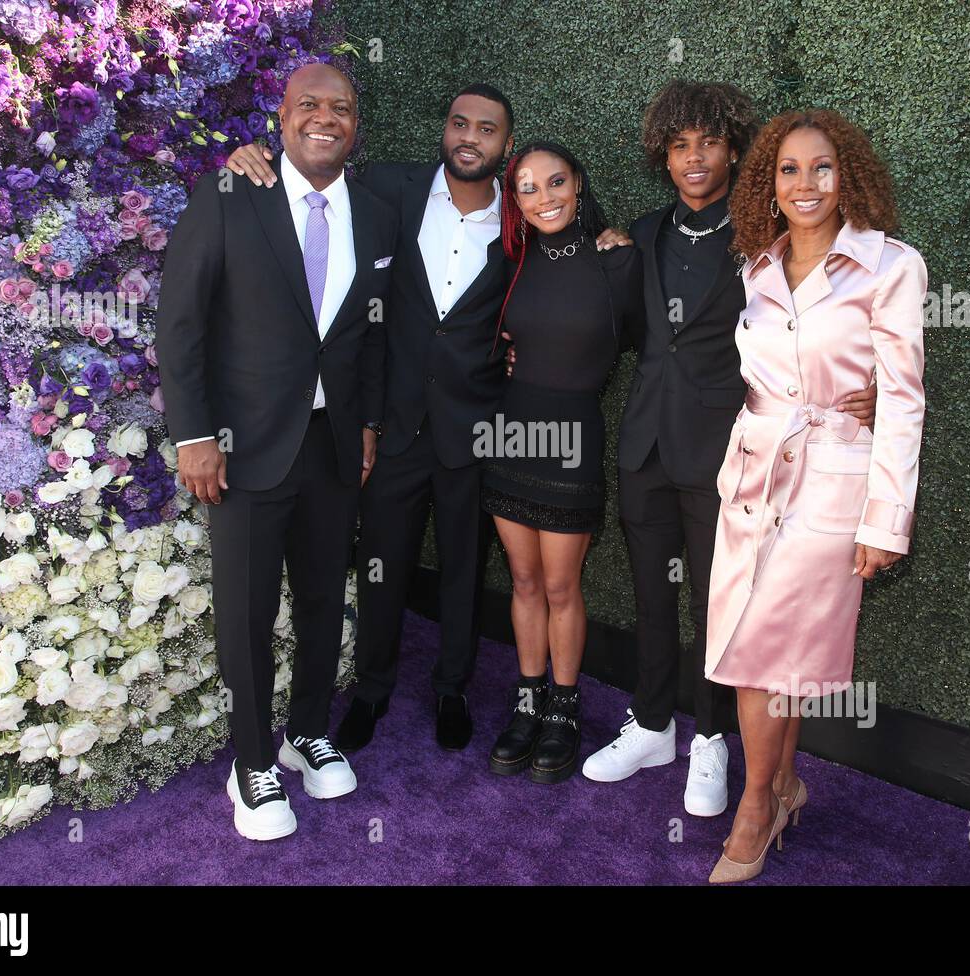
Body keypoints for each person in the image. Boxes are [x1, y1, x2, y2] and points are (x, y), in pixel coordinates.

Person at [223, 89, 629, 755]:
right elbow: (312, 170)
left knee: (467, 570)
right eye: (460, 123)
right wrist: (252, 157)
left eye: (488, 129)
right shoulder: (389, 187)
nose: (470, 137)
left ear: (506, 144)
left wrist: (612, 238)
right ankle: (373, 689)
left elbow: (572, 283)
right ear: (445, 129)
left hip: (482, 429)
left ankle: (452, 687)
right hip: (395, 424)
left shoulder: (522, 221)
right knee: (383, 563)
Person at [580, 81, 878, 818]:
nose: (694, 158)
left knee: (724, 611)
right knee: (654, 597)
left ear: (736, 149)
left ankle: (710, 739)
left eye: (708, 142)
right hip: (645, 444)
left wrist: (860, 388)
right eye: (679, 146)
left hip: (733, 457)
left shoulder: (766, 246)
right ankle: (652, 723)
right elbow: (615, 331)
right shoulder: (640, 233)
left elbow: (822, 325)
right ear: (663, 156)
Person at [156, 63, 398, 841]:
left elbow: (369, 334)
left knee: (326, 600)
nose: (327, 118)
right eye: (310, 105)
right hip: (243, 450)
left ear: (357, 124)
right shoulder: (231, 196)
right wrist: (194, 436)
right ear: (282, 117)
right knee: (251, 613)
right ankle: (253, 759)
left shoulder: (375, 211)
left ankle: (304, 731)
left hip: (331, 450)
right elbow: (182, 325)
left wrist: (363, 426)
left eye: (343, 108)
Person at [704, 109, 927, 881]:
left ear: (848, 176)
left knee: (761, 656)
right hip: (752, 479)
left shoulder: (893, 267)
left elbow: (902, 399)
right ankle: (785, 785)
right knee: (775, 654)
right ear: (769, 183)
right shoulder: (755, 267)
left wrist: (886, 521)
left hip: (832, 486)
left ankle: (755, 808)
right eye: (789, 169)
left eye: (822, 167)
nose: (805, 183)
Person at [483, 142, 642, 784]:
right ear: (514, 199)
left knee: (558, 585)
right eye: (527, 187)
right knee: (522, 582)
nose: (544, 197)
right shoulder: (511, 259)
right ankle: (528, 699)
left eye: (555, 182)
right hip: (510, 431)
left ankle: (565, 706)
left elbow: (655, 343)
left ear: (577, 183)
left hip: (573, 433)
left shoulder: (616, 259)